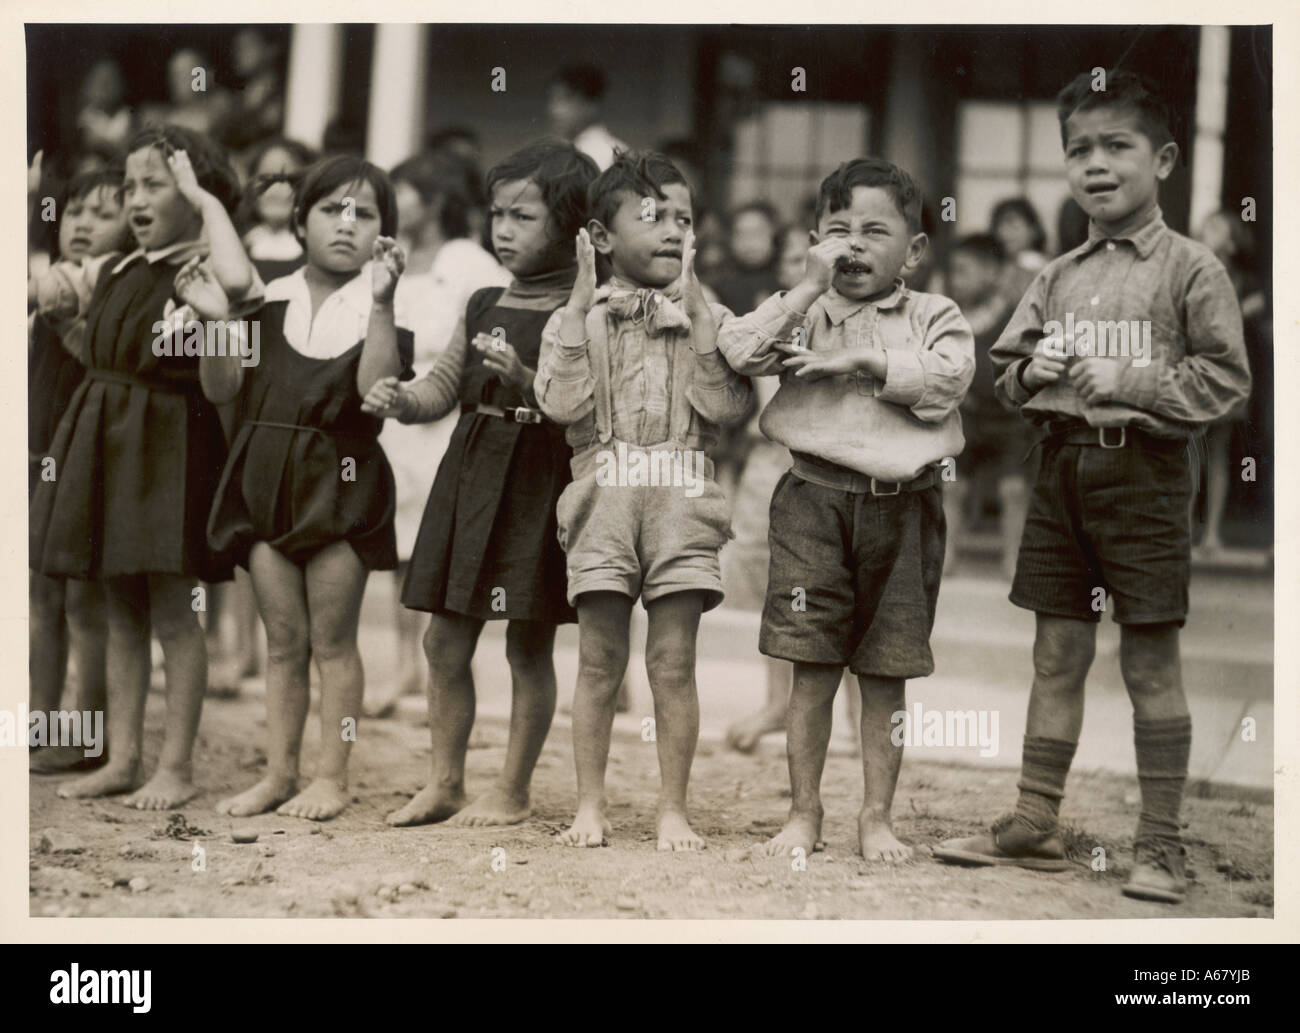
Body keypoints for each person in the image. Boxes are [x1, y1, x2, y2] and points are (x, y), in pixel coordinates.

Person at [934, 70, 1251, 905]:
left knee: (1149, 660)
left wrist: (1137, 380)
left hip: (1145, 476)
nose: (1096, 165)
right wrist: (1029, 370)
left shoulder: (1193, 268)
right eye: (1080, 150)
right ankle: (1035, 818)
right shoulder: (1056, 273)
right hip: (1061, 470)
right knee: (1056, 651)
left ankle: (1162, 842)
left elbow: (1229, 382)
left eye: (1118, 146)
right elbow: (1002, 374)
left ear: (1166, 158)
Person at [717, 157, 974, 863]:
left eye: (873, 230)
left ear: (914, 250)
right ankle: (804, 812)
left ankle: (877, 814)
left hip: (903, 508)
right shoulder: (806, 310)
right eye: (838, 230)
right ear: (814, 240)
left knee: (885, 671)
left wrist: (864, 363)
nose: (854, 246)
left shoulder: (933, 315)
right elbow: (735, 351)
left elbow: (950, 379)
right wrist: (803, 286)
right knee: (811, 664)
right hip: (812, 502)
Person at [367, 141, 599, 827]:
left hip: (541, 472)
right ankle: (446, 781)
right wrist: (402, 400)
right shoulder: (483, 300)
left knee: (527, 642)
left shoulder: (586, 307)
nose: (503, 229)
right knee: (442, 639)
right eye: (497, 214)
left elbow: (589, 404)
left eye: (523, 217)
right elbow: (443, 386)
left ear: (570, 225)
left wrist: (531, 379)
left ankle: (514, 788)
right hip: (472, 468)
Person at [30, 126, 259, 808]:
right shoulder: (122, 269)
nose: (135, 198)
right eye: (131, 185)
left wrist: (205, 204)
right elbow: (59, 308)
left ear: (197, 195)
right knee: (120, 607)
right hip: (103, 442)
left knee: (172, 612)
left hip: (166, 453)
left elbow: (224, 381)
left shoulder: (207, 273)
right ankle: (123, 756)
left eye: (155, 184)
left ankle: (177, 767)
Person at [536, 151, 753, 850]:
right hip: (603, 487)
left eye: (684, 220)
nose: (671, 232)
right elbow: (561, 404)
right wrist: (575, 307)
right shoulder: (579, 320)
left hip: (684, 487)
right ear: (600, 238)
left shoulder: (710, 313)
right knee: (599, 658)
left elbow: (726, 405)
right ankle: (590, 804)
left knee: (672, 661)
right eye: (653, 216)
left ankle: (672, 808)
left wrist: (699, 320)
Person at [202, 156, 413, 821]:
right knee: (282, 643)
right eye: (331, 209)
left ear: (384, 231)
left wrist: (381, 301)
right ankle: (277, 773)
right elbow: (221, 389)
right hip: (265, 484)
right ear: (299, 219)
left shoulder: (378, 304)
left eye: (365, 213)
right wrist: (213, 322)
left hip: (340, 489)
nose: (346, 225)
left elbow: (373, 398)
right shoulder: (263, 297)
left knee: (334, 644)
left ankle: (333, 775)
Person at [364, 150, 511, 718]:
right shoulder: (392, 258)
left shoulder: (468, 260)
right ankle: (405, 665)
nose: (392, 204)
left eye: (404, 192)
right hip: (398, 418)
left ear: (437, 199)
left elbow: (491, 328)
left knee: (440, 546)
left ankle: (445, 667)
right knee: (399, 549)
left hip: (447, 416)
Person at [722, 223, 861, 756]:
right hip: (767, 456)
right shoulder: (773, 312)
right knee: (775, 589)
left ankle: (852, 717)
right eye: (784, 253)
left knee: (841, 586)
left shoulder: (851, 312)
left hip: (831, 458)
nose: (789, 260)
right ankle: (776, 702)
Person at [28, 165, 130, 772]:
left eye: (103, 214)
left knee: (85, 604)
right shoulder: (47, 289)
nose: (83, 225)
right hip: (34, 452)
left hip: (89, 458)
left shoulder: (107, 290)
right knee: (39, 597)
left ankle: (90, 732)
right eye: (74, 213)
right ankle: (40, 721)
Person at [942, 233, 1027, 578]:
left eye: (964, 271)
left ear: (991, 272)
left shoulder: (1015, 317)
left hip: (1011, 420)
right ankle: (945, 557)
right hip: (965, 417)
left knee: (1014, 489)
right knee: (950, 483)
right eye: (953, 271)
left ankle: (1014, 561)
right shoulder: (949, 317)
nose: (955, 279)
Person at [1193, 209, 1268, 556]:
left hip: (1228, 376)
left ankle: (1212, 534)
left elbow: (1243, 321)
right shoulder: (1191, 272)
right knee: (1189, 452)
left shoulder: (1247, 281)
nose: (1206, 230)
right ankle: (1182, 532)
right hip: (1193, 372)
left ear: (1234, 240)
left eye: (1216, 227)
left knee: (1218, 453)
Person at [546, 63, 627, 172]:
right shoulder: (566, 151)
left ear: (591, 103)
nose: (555, 110)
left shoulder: (605, 153)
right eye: (553, 100)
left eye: (566, 99)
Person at [991, 196, 1049, 308]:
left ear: (1033, 229)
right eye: (999, 225)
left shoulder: (1037, 265)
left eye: (1012, 225)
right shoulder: (1001, 266)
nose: (1003, 233)